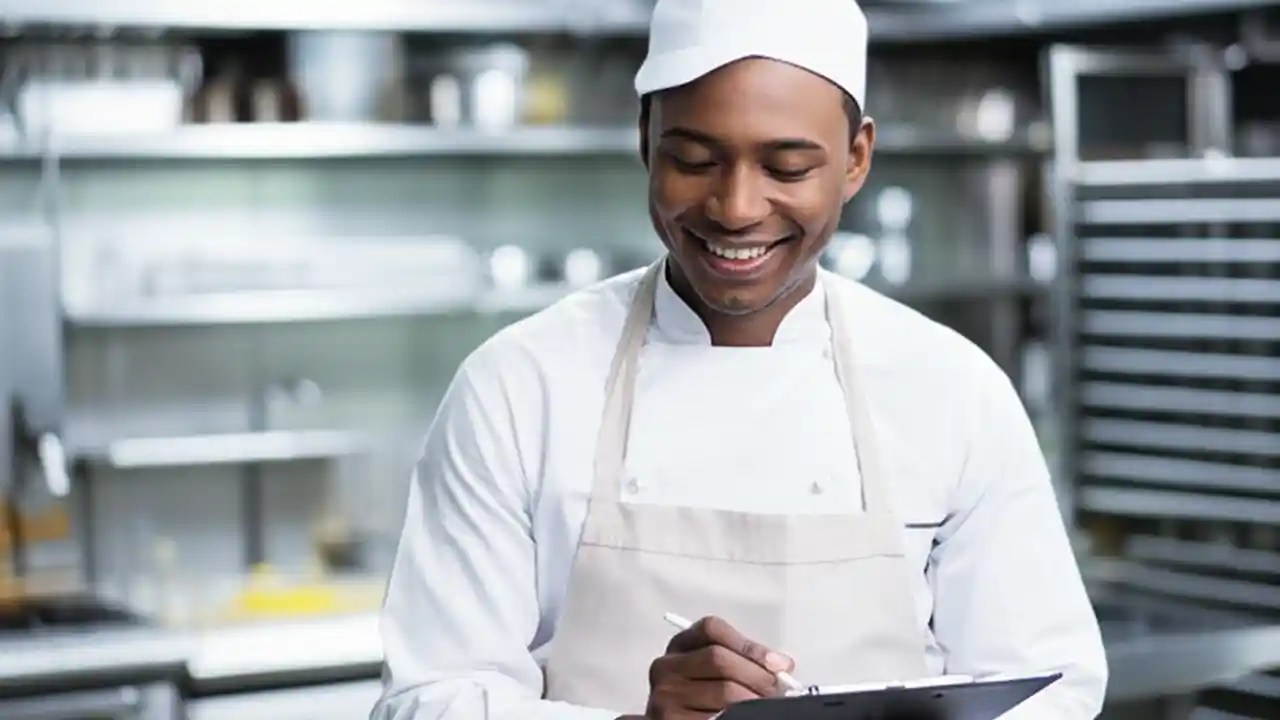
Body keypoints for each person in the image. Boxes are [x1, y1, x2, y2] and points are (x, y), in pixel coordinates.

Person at [373, 0, 1108, 718]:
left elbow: (1051, 690)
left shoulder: (953, 391)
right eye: (693, 160)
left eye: (786, 168)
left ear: (856, 159)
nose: (735, 207)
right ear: (645, 140)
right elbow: (428, 696)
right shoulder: (517, 387)